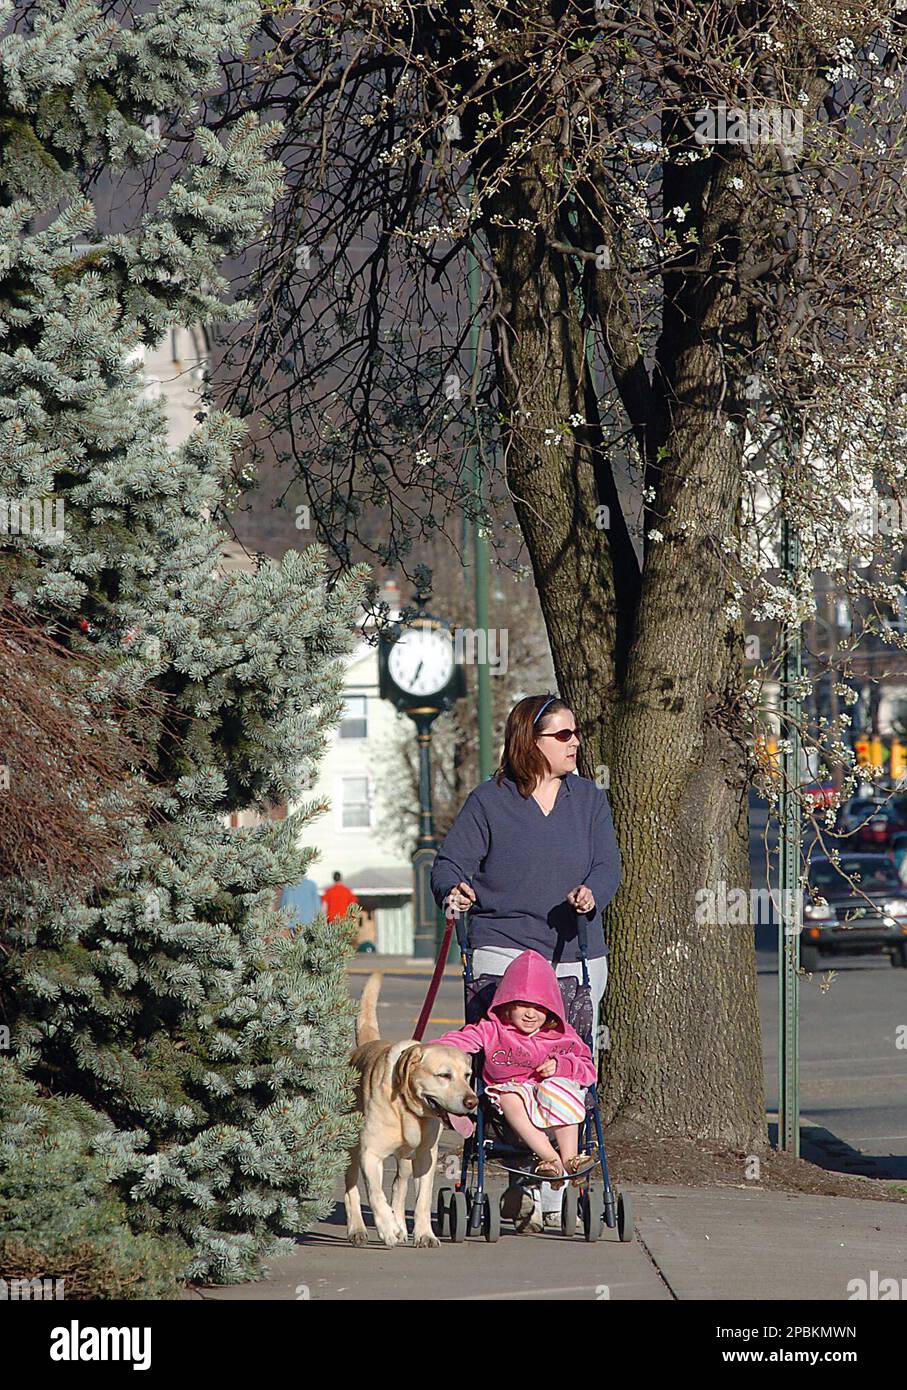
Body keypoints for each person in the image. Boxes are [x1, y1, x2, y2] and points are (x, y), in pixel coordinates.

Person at [431, 693, 621, 1229]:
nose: (575, 743)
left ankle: (556, 1190)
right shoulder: (490, 802)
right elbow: (449, 864)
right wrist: (455, 890)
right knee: (508, 1065)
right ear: (529, 743)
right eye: (563, 735)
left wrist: (592, 893)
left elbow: (609, 862)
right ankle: (522, 1180)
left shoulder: (588, 799)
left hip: (572, 954)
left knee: (560, 1068)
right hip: (503, 947)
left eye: (575, 733)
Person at [430, 950, 595, 1183]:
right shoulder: (492, 1030)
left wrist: (562, 1065)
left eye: (539, 1007)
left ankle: (570, 1159)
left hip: (553, 1098)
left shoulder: (562, 1035)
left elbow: (588, 1068)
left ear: (550, 1009)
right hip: (511, 1093)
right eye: (521, 1005)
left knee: (561, 1086)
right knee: (509, 1097)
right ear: (507, 1004)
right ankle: (551, 1160)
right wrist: (427, 1050)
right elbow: (461, 1040)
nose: (530, 1014)